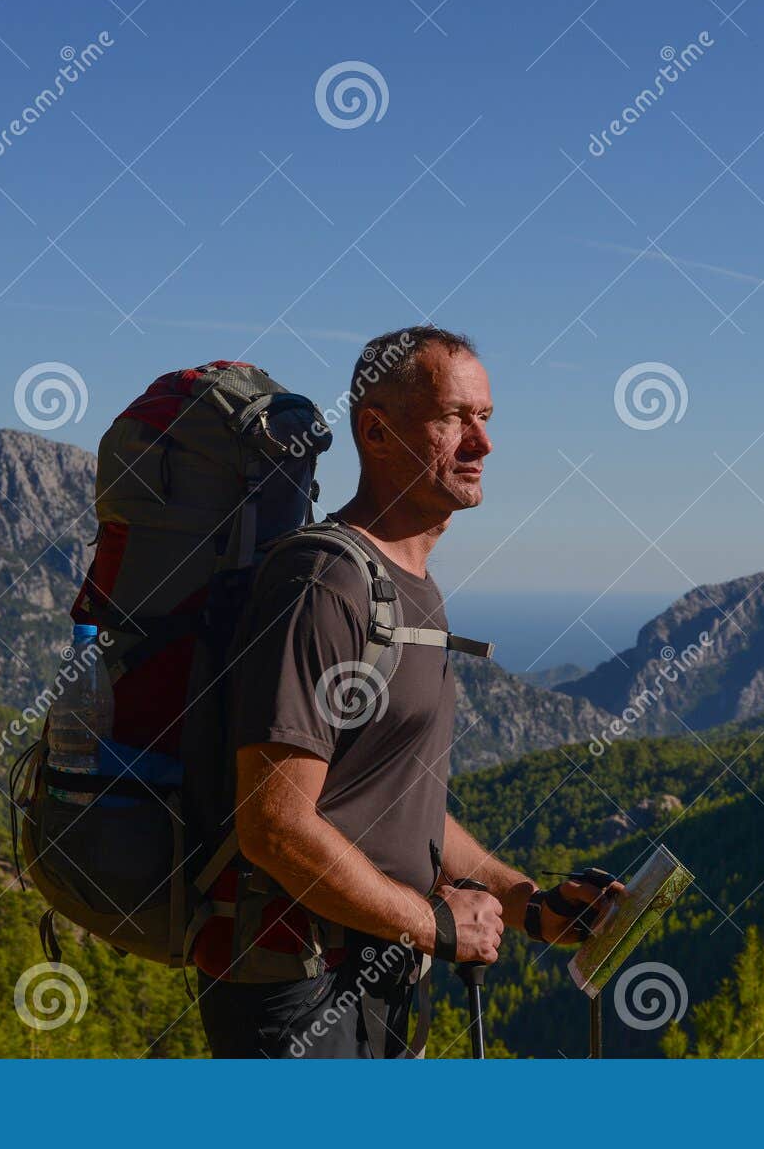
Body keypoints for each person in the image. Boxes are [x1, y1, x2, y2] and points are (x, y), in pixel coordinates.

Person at [193, 325, 621, 1058]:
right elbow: (273, 825)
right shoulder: (325, 584)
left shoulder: (410, 590)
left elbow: (398, 800)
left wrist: (528, 904)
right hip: (298, 991)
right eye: (454, 418)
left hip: (376, 982)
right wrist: (433, 924)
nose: (482, 444)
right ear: (377, 431)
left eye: (486, 418)